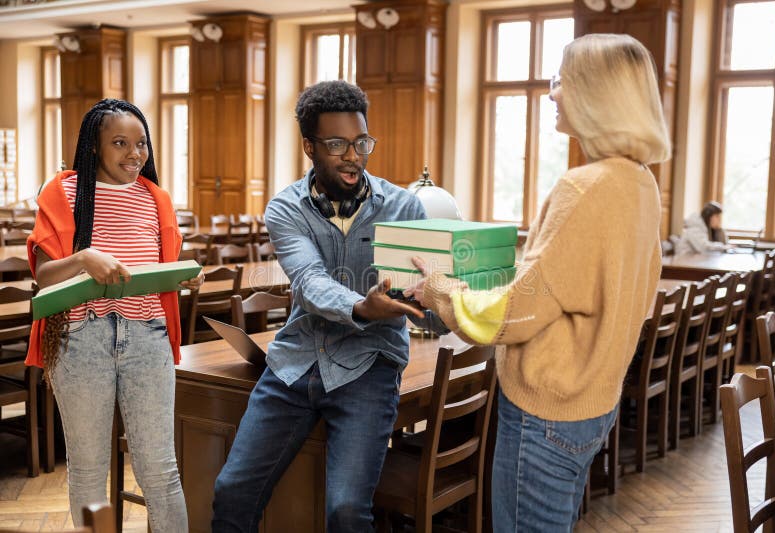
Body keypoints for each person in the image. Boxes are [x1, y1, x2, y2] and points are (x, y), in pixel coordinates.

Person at [405, 33, 670, 532]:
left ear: (596, 93)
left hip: (547, 411)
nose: (552, 93)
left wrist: (441, 290)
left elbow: (514, 315)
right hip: (594, 402)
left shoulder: (584, 188)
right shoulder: (640, 182)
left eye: (562, 80)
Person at [212, 80, 426, 532]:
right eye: (337, 145)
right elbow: (309, 282)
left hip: (370, 365)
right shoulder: (285, 209)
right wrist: (362, 307)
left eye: (361, 142)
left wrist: (443, 296)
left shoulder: (405, 208)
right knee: (231, 491)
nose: (353, 156)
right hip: (294, 364)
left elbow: (429, 294)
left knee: (346, 511)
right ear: (310, 146)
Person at [26, 98, 204, 532]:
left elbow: (159, 270)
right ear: (93, 146)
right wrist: (83, 259)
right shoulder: (63, 192)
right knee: (89, 471)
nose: (134, 154)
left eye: (141, 143)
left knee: (161, 469)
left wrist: (184, 276)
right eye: (120, 143)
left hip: (148, 336)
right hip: (80, 338)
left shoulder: (156, 198)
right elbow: (44, 276)